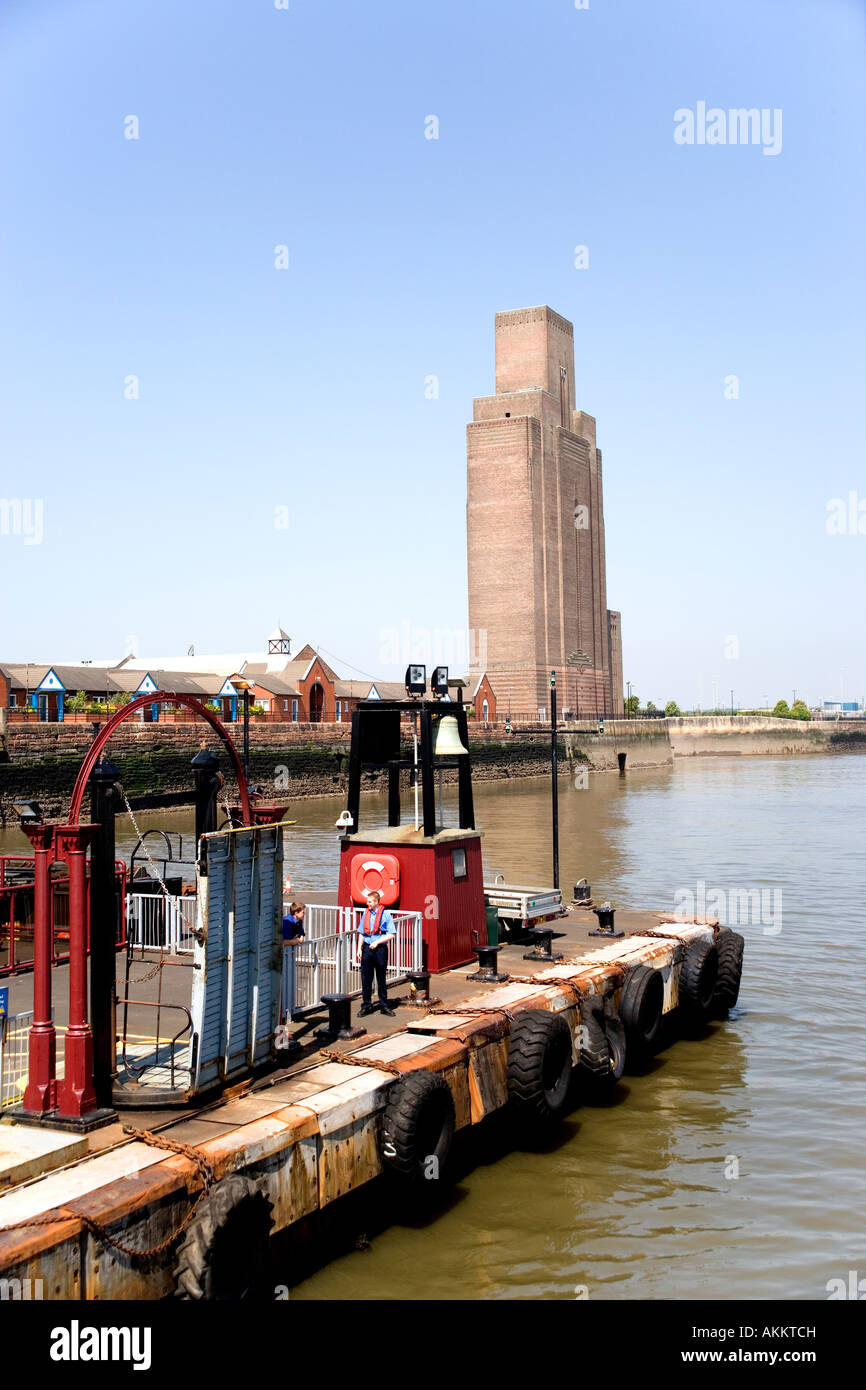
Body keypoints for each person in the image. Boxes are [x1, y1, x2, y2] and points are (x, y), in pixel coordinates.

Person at [358, 890, 396, 1017]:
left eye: (369, 902)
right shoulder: (366, 914)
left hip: (380, 950)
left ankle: (384, 1005)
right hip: (367, 949)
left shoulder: (386, 915)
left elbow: (391, 934)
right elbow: (362, 933)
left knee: (381, 978)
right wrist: (359, 948)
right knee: (366, 978)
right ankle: (366, 1005)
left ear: (376, 902)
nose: (367, 904)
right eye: (367, 901)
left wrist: (378, 942)